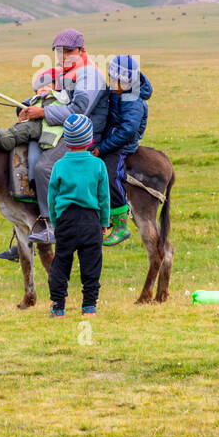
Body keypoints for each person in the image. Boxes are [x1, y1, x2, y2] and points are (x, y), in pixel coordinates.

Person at [23, 29, 108, 244]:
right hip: (63, 127)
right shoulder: (67, 73)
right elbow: (54, 98)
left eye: (69, 51)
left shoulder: (89, 74)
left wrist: (42, 113)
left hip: (83, 132)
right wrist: (28, 106)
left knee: (44, 167)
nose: (63, 55)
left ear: (82, 51)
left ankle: (51, 226)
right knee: (26, 151)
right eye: (60, 51)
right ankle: (25, 224)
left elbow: (79, 110)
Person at [45, 114, 110, 316]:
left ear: (66, 141)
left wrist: (56, 221)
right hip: (91, 221)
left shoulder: (59, 166)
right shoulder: (98, 165)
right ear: (90, 140)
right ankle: (89, 305)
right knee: (91, 263)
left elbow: (52, 198)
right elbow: (104, 198)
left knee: (61, 262)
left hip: (66, 221)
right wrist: (104, 222)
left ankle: (58, 306)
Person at [91, 54, 151, 247]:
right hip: (111, 136)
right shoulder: (117, 93)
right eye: (114, 80)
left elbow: (127, 131)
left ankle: (120, 222)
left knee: (110, 174)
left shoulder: (133, 99)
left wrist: (102, 147)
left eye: (122, 83)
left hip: (123, 144)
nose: (117, 85)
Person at [0, 67, 65, 152]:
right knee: (22, 126)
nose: (43, 88)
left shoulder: (56, 99)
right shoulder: (37, 99)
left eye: (48, 86)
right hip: (36, 125)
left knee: (27, 128)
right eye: (40, 86)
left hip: (47, 127)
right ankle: (8, 135)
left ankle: (9, 140)